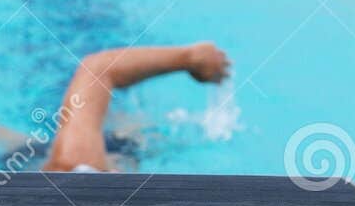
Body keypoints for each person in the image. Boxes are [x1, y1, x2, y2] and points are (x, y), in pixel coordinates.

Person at [41, 42, 230, 172]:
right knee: (138, 137)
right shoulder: (79, 163)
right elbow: (97, 68)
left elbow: (97, 69)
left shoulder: (74, 161)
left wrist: (192, 58)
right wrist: (191, 57)